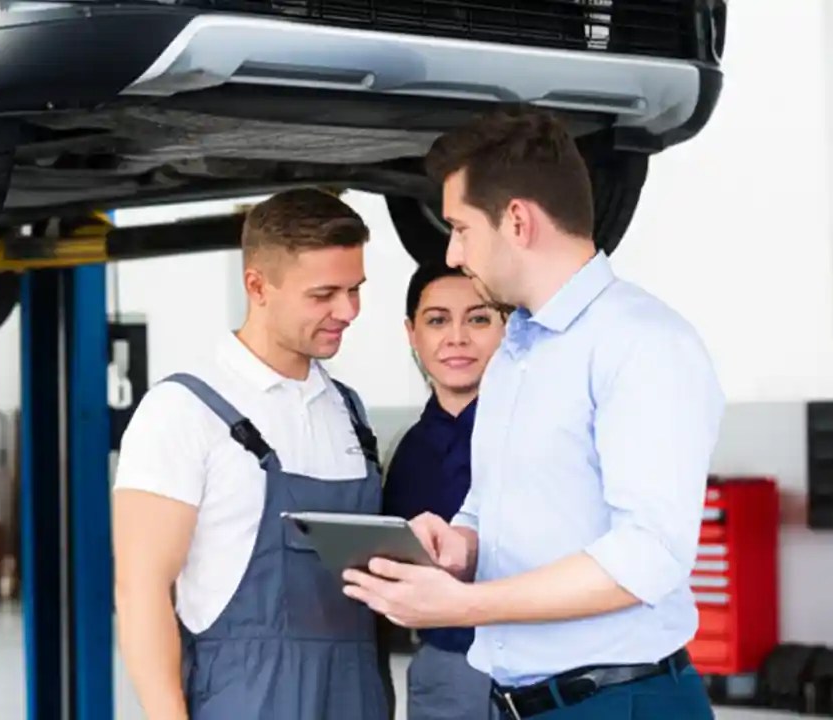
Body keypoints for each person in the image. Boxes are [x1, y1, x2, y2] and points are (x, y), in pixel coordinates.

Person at [343, 106, 725, 719]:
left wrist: (463, 606)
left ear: (516, 220)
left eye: (462, 228)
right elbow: (497, 505)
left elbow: (647, 556)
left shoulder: (643, 343)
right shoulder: (521, 350)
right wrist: (458, 543)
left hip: (617, 702)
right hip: (521, 703)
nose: (454, 251)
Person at [112, 188, 392, 720]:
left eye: (355, 289)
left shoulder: (347, 410)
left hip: (357, 695)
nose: (348, 311)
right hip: (246, 698)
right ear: (257, 286)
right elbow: (141, 588)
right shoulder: (183, 410)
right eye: (324, 294)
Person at [383, 260, 505, 719]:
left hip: (544, 666)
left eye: (478, 318)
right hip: (448, 670)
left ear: (506, 327)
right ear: (412, 332)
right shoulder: (406, 452)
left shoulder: (543, 435)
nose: (457, 337)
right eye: (437, 320)